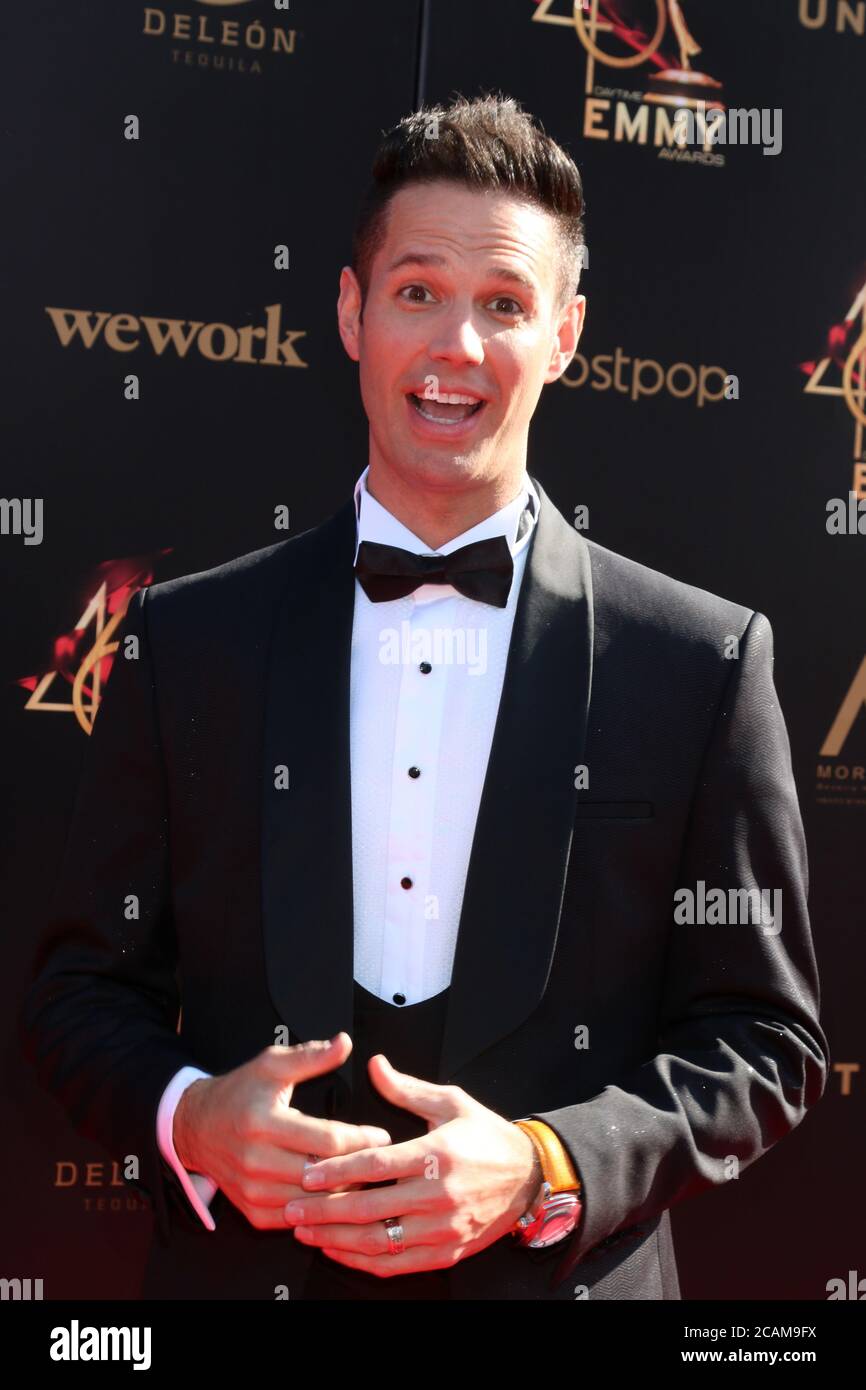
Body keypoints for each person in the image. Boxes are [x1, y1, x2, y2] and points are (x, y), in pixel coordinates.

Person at [21, 93, 829, 1301]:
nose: (456, 344)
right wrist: (193, 1119)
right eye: (415, 292)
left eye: (503, 304)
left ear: (564, 335)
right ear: (350, 313)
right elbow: (80, 994)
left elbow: (767, 1041)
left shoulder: (701, 661)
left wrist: (547, 1161)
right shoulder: (188, 640)